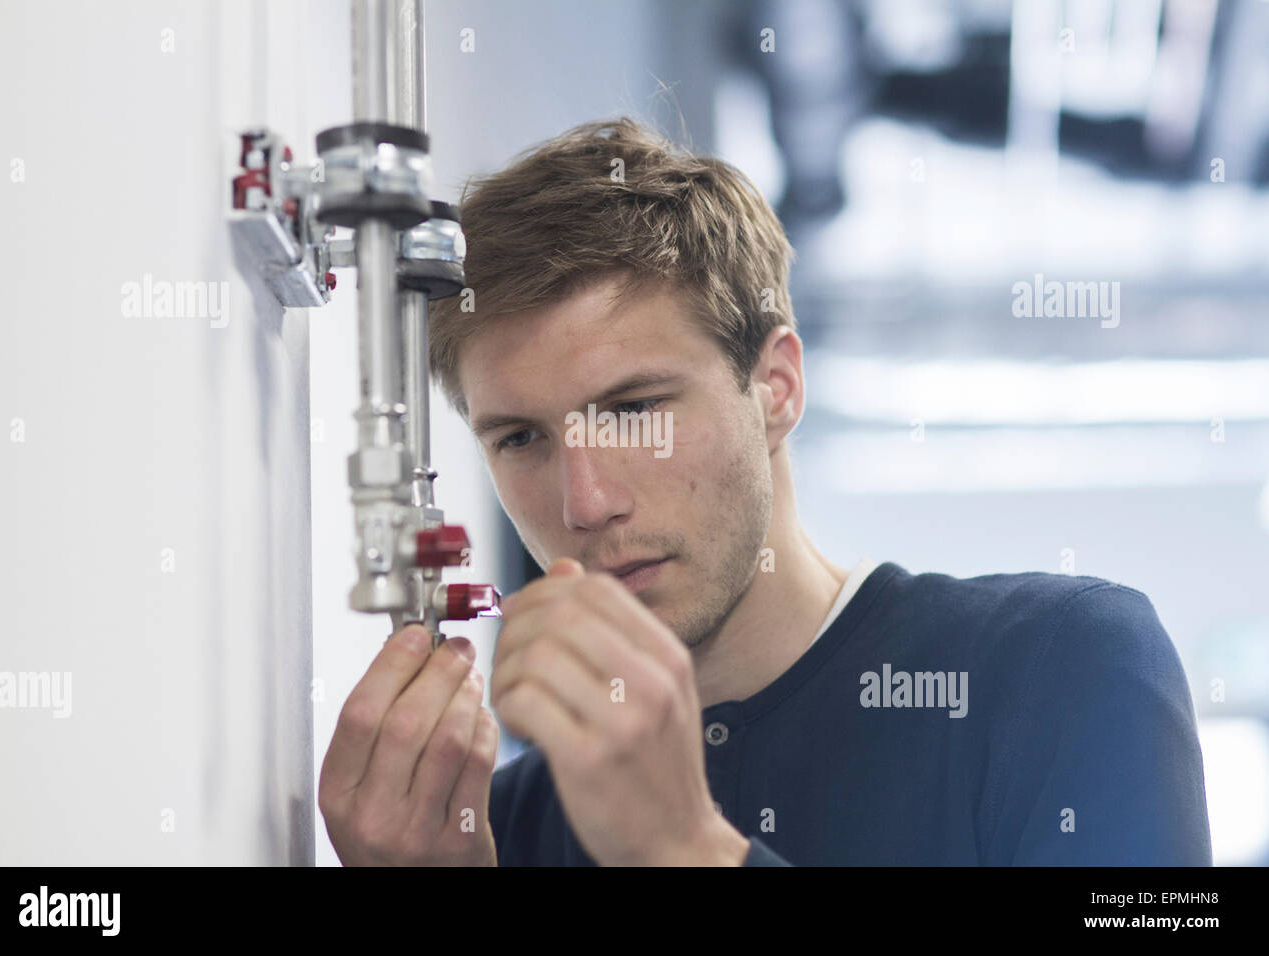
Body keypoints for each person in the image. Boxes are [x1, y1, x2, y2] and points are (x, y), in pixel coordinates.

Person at [318, 117, 1213, 866]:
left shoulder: (1065, 670)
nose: (584, 503)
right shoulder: (504, 826)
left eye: (633, 411)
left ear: (774, 387)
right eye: (521, 438)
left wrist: (689, 852)